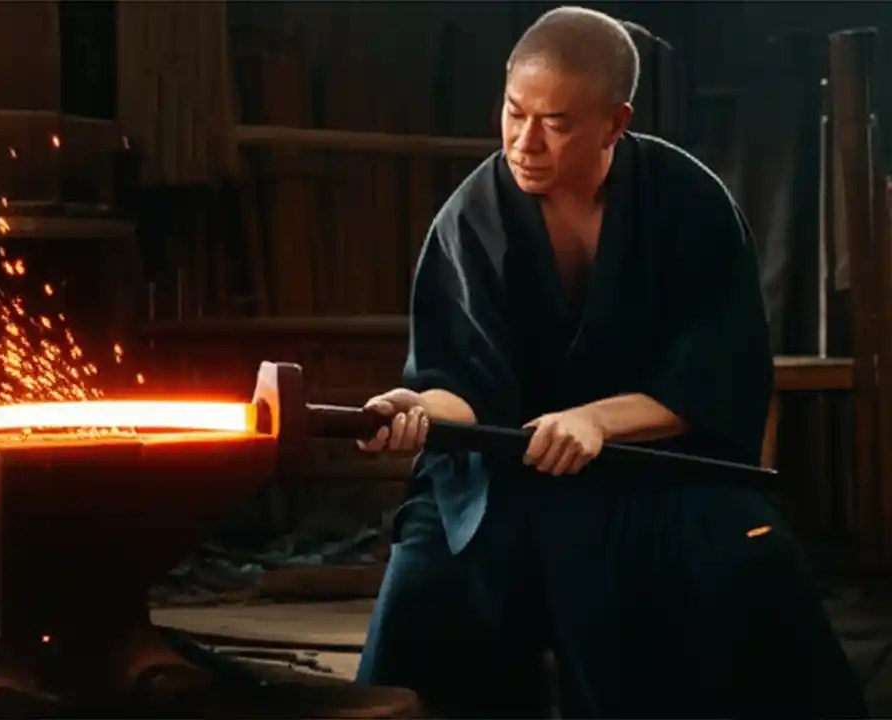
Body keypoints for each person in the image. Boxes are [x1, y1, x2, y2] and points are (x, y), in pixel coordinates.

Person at [354, 7, 867, 719]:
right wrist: (414, 411)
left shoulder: (688, 201)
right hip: (507, 469)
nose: (524, 142)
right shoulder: (472, 215)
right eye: (513, 113)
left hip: (657, 463)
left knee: (749, 560)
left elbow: (714, 374)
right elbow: (456, 383)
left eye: (556, 122)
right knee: (431, 574)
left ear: (615, 123)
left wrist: (595, 421)